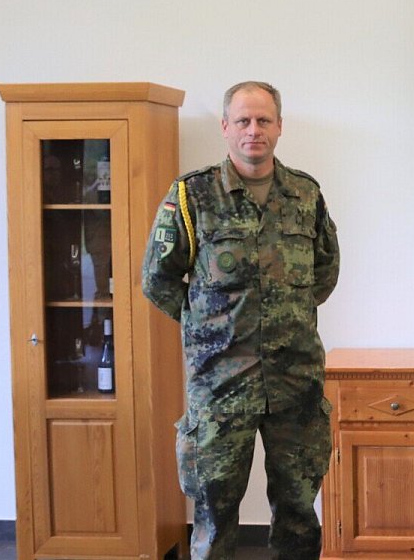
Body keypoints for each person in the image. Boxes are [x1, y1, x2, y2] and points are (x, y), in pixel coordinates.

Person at [141, 81, 340, 559]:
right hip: (220, 386)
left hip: (295, 382)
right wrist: (209, 329)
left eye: (264, 121)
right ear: (226, 128)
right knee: (214, 515)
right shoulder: (192, 196)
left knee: (298, 512)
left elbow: (325, 270)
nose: (255, 131)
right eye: (244, 121)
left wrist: (281, 319)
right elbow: (158, 278)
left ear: (279, 127)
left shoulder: (305, 194)